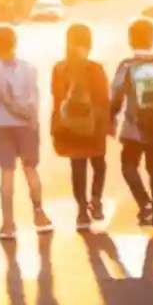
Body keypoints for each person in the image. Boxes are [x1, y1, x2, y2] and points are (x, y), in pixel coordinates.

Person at [0, 25, 52, 240]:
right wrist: (32, 120)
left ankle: (8, 223)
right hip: (25, 125)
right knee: (30, 169)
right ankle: (39, 213)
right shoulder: (29, 68)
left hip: (1, 125)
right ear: (15, 42)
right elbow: (35, 99)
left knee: (6, 174)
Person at [110, 18, 153, 227]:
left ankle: (144, 203)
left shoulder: (127, 66)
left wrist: (111, 116)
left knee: (128, 166)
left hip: (134, 128)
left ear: (130, 40)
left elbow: (116, 94)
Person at [50, 24, 110, 231]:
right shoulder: (95, 68)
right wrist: (107, 124)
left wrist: (56, 124)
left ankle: (82, 211)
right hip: (94, 125)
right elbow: (103, 98)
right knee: (99, 164)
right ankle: (96, 199)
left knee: (77, 167)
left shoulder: (59, 68)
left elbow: (56, 98)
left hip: (69, 125)